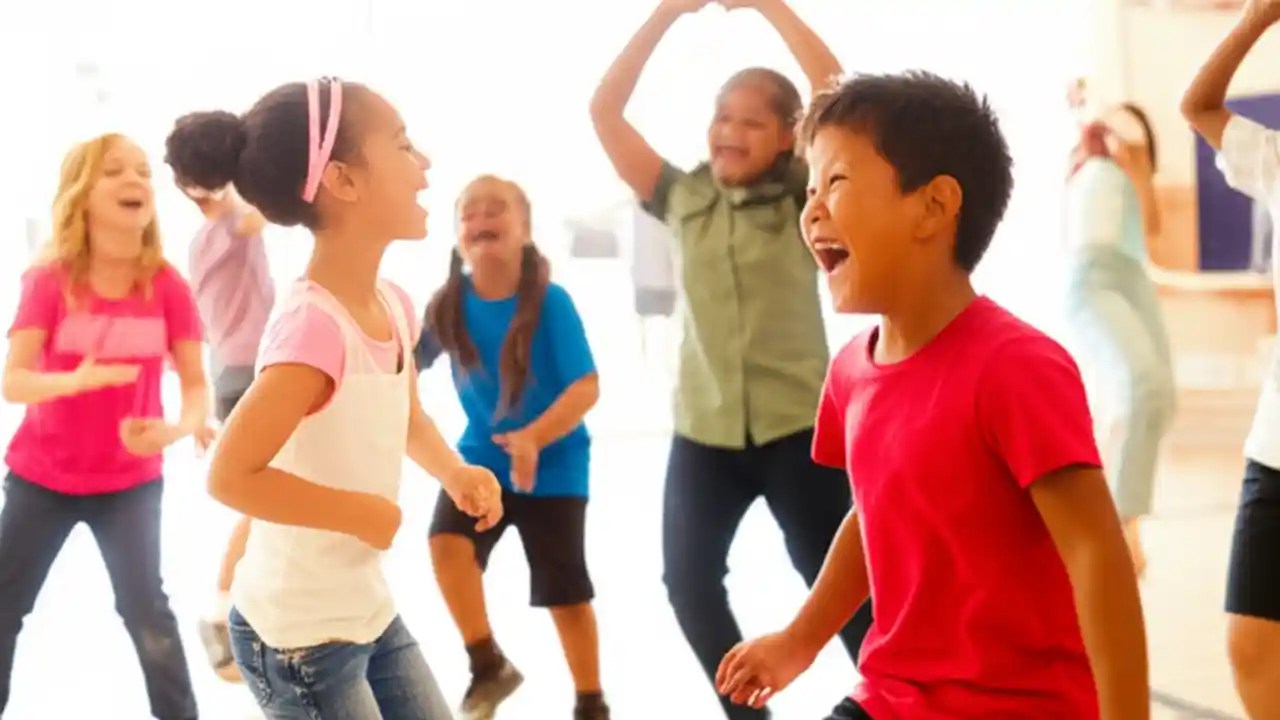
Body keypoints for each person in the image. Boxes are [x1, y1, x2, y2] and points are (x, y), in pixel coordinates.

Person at [716, 72, 1150, 720]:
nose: (811, 210)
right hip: (892, 697)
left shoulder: (1016, 367)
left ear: (934, 206)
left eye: (835, 183)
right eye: (810, 190)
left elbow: (1097, 556)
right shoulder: (851, 375)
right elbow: (873, 517)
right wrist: (798, 641)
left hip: (1023, 707)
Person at [177, 76, 504, 718]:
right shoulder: (311, 328)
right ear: (343, 181)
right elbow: (231, 475)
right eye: (405, 146)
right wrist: (356, 512)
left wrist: (455, 472)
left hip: (364, 610)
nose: (425, 164)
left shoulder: (392, 304)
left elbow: (407, 417)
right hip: (299, 637)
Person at [590, 2, 868, 716]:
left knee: (838, 583)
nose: (728, 131)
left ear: (786, 138)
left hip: (796, 430)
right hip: (704, 433)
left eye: (750, 121)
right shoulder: (683, 197)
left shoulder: (803, 202)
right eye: (722, 116)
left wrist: (771, 5)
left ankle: (902, 698)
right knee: (687, 583)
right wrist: (668, 13)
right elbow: (605, 110)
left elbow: (839, 91)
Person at [0, 133, 205, 719]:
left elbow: (195, 386)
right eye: (114, 171)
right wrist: (74, 381)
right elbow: (12, 382)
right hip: (41, 478)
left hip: (130, 482)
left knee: (147, 611)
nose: (135, 179)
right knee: (3, 607)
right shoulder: (48, 282)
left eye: (142, 170)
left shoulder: (168, 288)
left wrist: (178, 428)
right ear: (80, 195)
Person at [418, 175, 607, 720]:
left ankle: (591, 702)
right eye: (468, 213)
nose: (481, 220)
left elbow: (586, 386)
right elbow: (402, 362)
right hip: (479, 460)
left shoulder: (552, 302)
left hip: (557, 467)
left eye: (495, 209)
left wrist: (534, 438)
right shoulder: (447, 304)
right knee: (446, 544)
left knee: (564, 591)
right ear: (458, 238)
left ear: (525, 229)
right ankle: (487, 664)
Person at [1182, 1, 1280, 715]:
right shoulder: (1277, 162)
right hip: (1276, 451)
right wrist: (1257, 17)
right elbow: (1198, 104)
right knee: (1250, 646)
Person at [164, 125, 276, 682]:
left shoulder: (200, 242)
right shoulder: (232, 225)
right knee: (268, 504)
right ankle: (223, 611)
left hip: (236, 374)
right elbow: (257, 209)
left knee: (269, 503)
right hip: (253, 373)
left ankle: (234, 611)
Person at [1062, 105, 1176, 579]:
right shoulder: (1087, 171)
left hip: (1132, 278)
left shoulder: (1132, 177)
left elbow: (1152, 228)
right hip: (1092, 276)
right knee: (1141, 386)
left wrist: (1137, 163)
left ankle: (1120, 513)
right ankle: (1121, 527)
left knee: (1161, 397)